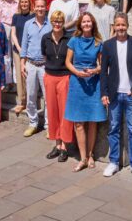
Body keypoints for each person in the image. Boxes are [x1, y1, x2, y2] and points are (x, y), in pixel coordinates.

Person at [101, 12, 132, 179]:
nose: (120, 28)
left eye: (123, 25)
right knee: (113, 128)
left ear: (127, 25)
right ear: (114, 26)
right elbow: (103, 72)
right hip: (114, 94)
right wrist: (104, 93)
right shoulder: (107, 45)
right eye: (118, 25)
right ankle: (113, 162)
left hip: (131, 94)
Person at [64, 12, 105, 171]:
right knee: (79, 122)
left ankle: (90, 155)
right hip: (77, 82)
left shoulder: (98, 42)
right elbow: (68, 62)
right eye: (84, 22)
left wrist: (95, 71)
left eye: (89, 22)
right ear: (80, 24)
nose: (87, 24)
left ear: (93, 24)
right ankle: (82, 158)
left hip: (93, 83)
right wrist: (76, 72)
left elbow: (103, 65)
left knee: (92, 121)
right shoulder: (74, 41)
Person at [42, 10, 74, 162]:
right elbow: (44, 56)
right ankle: (57, 143)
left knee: (64, 112)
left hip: (64, 78)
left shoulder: (69, 39)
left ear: (63, 23)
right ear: (51, 22)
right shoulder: (45, 38)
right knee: (52, 112)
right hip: (49, 77)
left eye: (60, 21)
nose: (57, 24)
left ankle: (65, 147)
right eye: (55, 21)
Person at [21, 0, 52, 137]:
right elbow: (24, 44)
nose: (40, 9)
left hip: (46, 66)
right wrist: (22, 62)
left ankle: (48, 125)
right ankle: (33, 123)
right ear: (34, 7)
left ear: (46, 8)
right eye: (37, 6)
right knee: (31, 96)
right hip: (31, 64)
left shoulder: (51, 24)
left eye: (42, 6)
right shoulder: (28, 24)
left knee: (48, 97)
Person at [11, 0, 34, 114]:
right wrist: (20, 49)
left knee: (29, 76)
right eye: (22, 2)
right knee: (20, 76)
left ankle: (30, 102)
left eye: (26, 2)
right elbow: (13, 33)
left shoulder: (33, 16)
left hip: (30, 50)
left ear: (29, 3)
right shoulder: (16, 16)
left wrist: (27, 50)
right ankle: (21, 102)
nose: (24, 4)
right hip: (18, 50)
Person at [0, 0, 19, 86]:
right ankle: (8, 81)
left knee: (16, 55)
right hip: (4, 28)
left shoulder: (18, 3)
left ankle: (17, 81)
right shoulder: (0, 4)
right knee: (6, 56)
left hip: (15, 29)